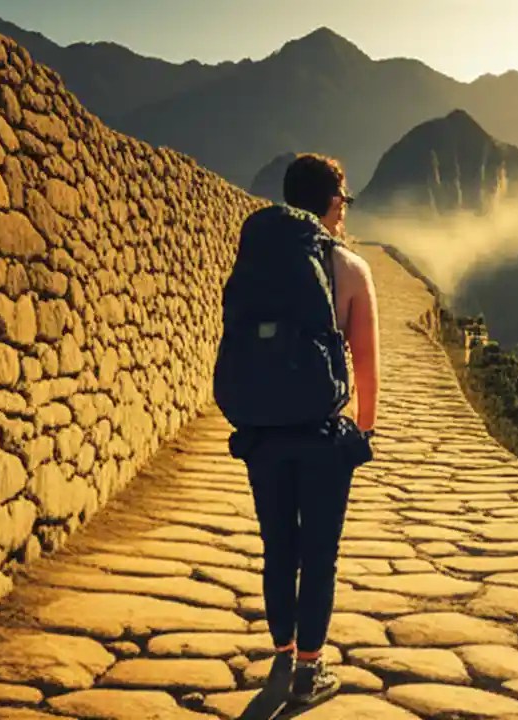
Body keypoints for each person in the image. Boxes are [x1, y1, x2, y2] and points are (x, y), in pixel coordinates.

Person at [231, 153, 380, 717]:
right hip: (320, 435)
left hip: (262, 429)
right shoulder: (348, 267)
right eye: (344, 200)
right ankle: (309, 672)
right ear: (332, 202)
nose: (345, 211)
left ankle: (283, 652)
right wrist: (362, 432)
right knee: (318, 553)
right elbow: (365, 362)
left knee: (278, 548)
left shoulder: (258, 259)